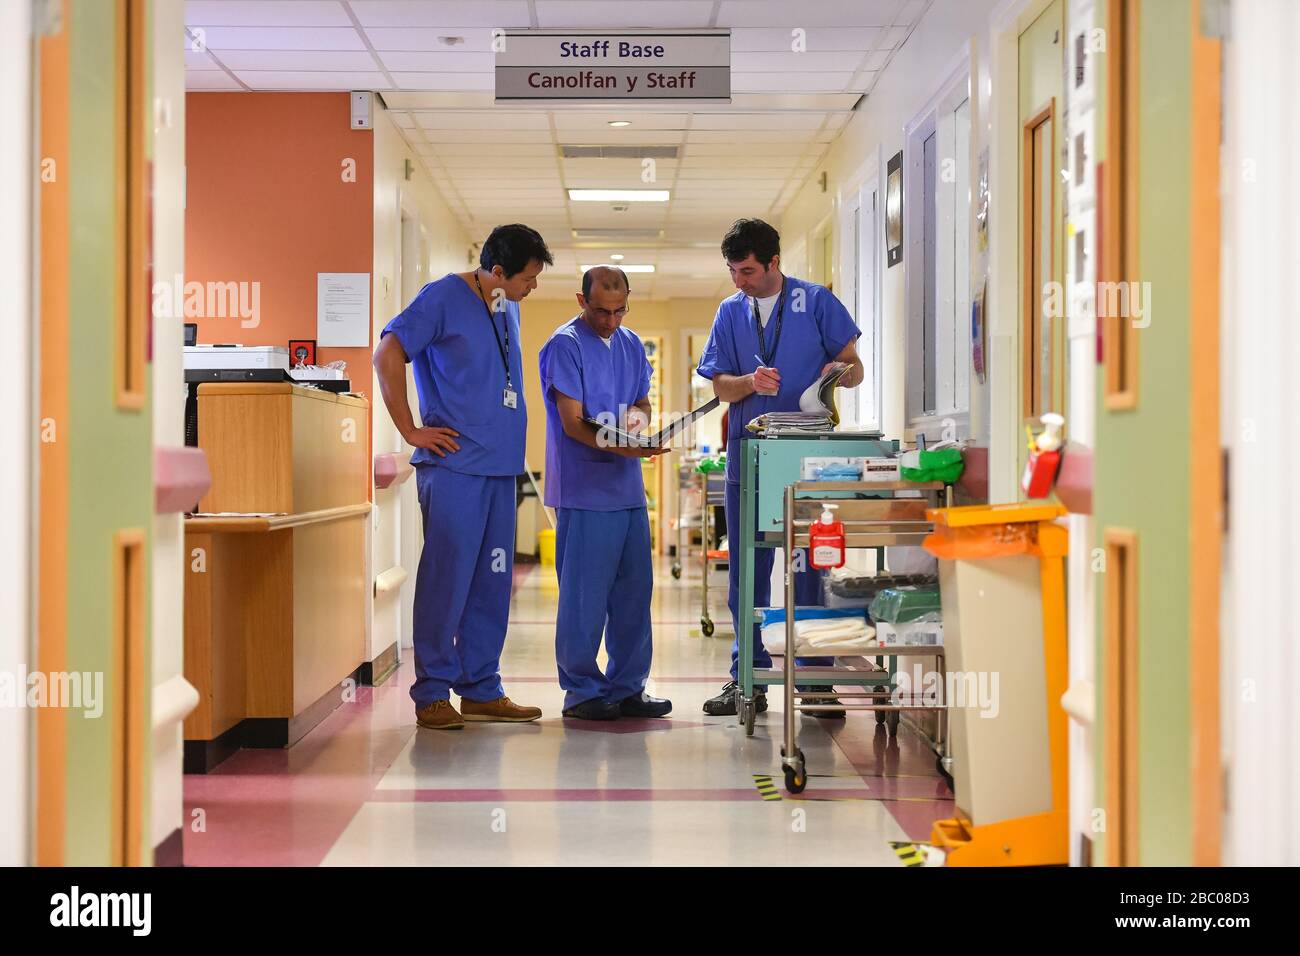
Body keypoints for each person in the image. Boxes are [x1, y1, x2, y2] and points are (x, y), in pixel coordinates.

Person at [372, 224, 552, 730]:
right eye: (527, 278)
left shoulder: (506, 306)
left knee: (492, 584)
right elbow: (387, 353)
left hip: (499, 468)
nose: (531, 288)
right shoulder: (442, 298)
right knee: (446, 581)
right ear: (497, 272)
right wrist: (409, 428)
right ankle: (431, 692)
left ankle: (480, 688)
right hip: (455, 468)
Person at [695, 218, 866, 718]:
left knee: (811, 564)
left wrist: (836, 373)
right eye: (732, 271)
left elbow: (854, 368)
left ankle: (813, 679)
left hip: (806, 456)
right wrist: (749, 381)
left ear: (774, 262)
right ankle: (745, 677)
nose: (739, 281)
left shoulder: (815, 302)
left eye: (747, 270)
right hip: (749, 454)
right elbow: (720, 386)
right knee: (747, 570)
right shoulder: (729, 313)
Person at [538, 266, 672, 721]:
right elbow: (573, 422)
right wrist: (628, 447)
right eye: (601, 311)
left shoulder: (632, 344)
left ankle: (628, 686)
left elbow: (642, 402)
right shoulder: (565, 345)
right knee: (584, 596)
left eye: (620, 311)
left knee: (635, 592)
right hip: (583, 490)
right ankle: (581, 692)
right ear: (581, 301)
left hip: (628, 491)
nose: (611, 321)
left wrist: (637, 422)